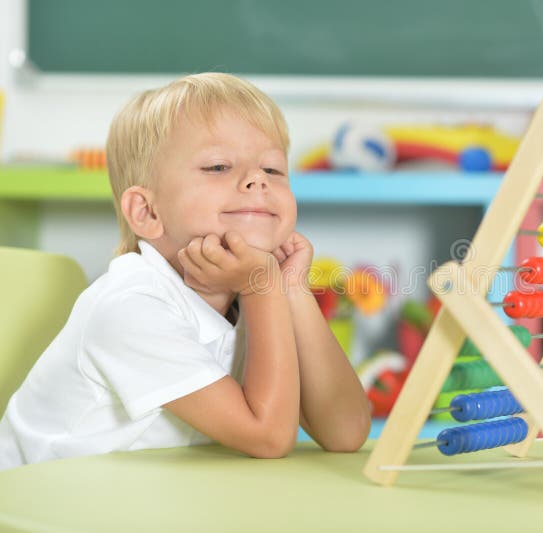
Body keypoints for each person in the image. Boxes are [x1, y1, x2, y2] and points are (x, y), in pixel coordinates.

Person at [0, 73, 371, 470]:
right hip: (42, 504)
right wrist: (262, 287)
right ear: (148, 212)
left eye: (274, 169)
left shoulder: (250, 291)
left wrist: (291, 287)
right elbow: (268, 437)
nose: (256, 180)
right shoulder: (130, 305)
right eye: (218, 166)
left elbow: (345, 432)